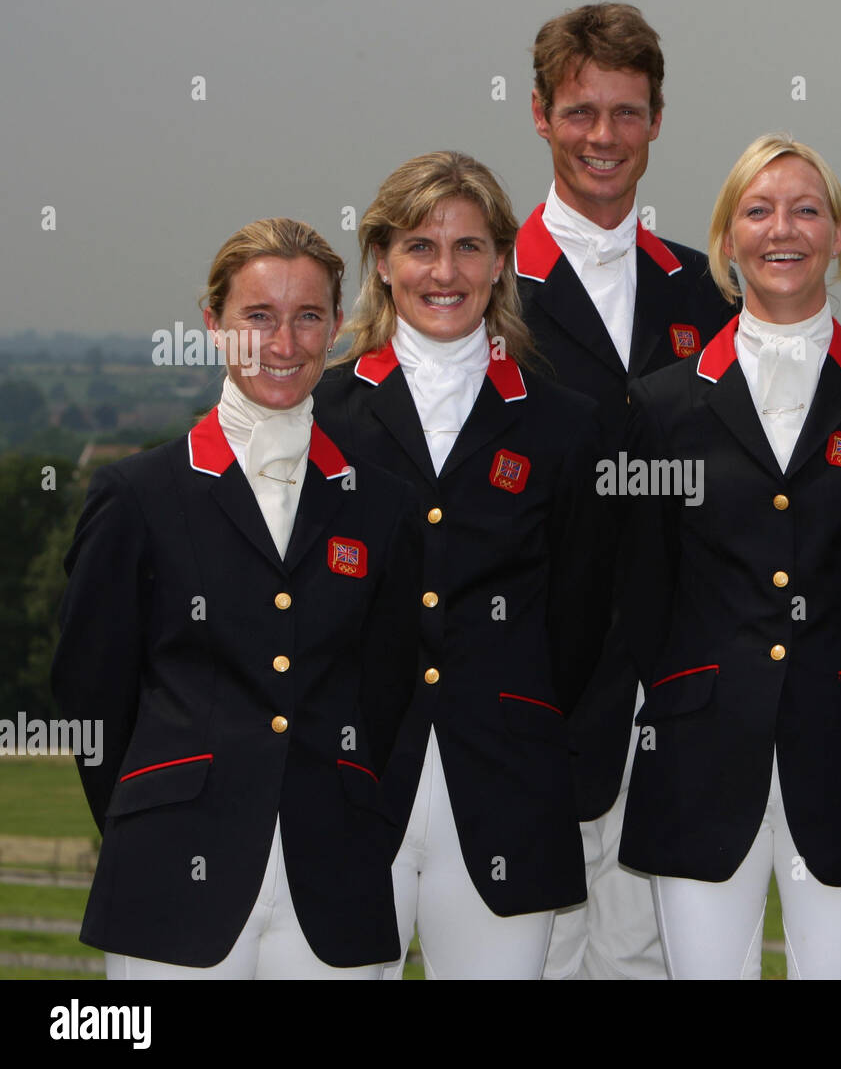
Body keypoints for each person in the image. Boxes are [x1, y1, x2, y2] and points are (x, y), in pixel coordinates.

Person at [53, 218, 421, 978]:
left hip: (334, 876)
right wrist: (154, 811)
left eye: (308, 316)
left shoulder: (383, 504)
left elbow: (390, 688)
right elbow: (91, 690)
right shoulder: (137, 495)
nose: (283, 343)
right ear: (214, 327)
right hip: (171, 872)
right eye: (258, 317)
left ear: (338, 327)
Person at [617, 134, 841, 979]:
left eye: (805, 209)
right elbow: (640, 588)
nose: (781, 228)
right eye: (757, 210)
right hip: (697, 755)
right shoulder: (659, 405)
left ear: (838, 233)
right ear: (727, 239)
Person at [314, 151, 612, 979]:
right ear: (381, 260)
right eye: (419, 246)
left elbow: (579, 621)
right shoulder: (322, 414)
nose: (444, 272)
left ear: (502, 262)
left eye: (469, 248)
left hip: (508, 785)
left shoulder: (563, 425)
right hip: (351, 781)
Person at [522, 1, 737, 982]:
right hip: (531, 694)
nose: (602, 136)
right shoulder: (473, 292)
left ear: (656, 121)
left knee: (651, 963)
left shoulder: (709, 295)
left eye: (625, 112)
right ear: (539, 116)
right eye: (580, 112)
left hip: (674, 700)